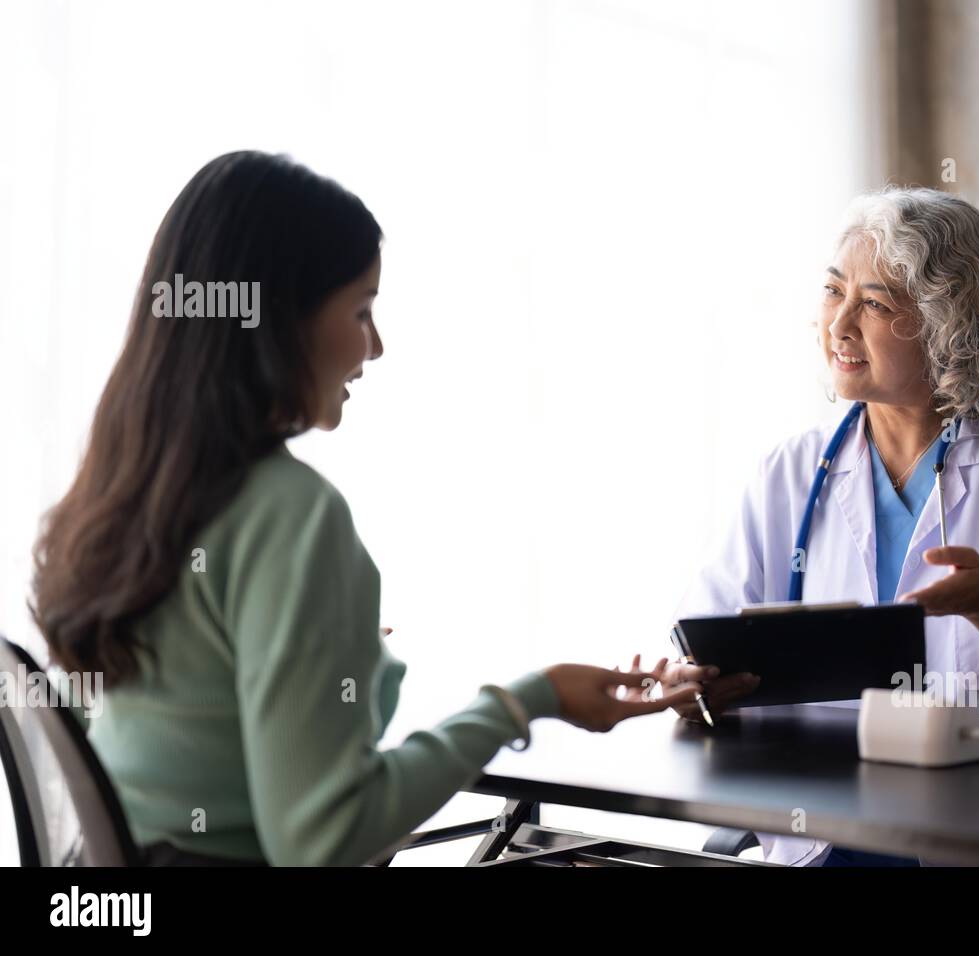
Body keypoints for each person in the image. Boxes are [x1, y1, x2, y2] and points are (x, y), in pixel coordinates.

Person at [29, 151, 698, 866]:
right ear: (279, 321)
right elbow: (324, 842)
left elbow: (181, 728)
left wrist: (323, 645)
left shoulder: (126, 492)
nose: (374, 347)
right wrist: (524, 702)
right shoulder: (290, 514)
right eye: (361, 310)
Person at [652, 186, 979, 866]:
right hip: (824, 834)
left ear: (951, 323)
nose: (839, 325)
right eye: (834, 293)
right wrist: (690, 686)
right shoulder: (789, 475)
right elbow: (702, 648)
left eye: (875, 303)